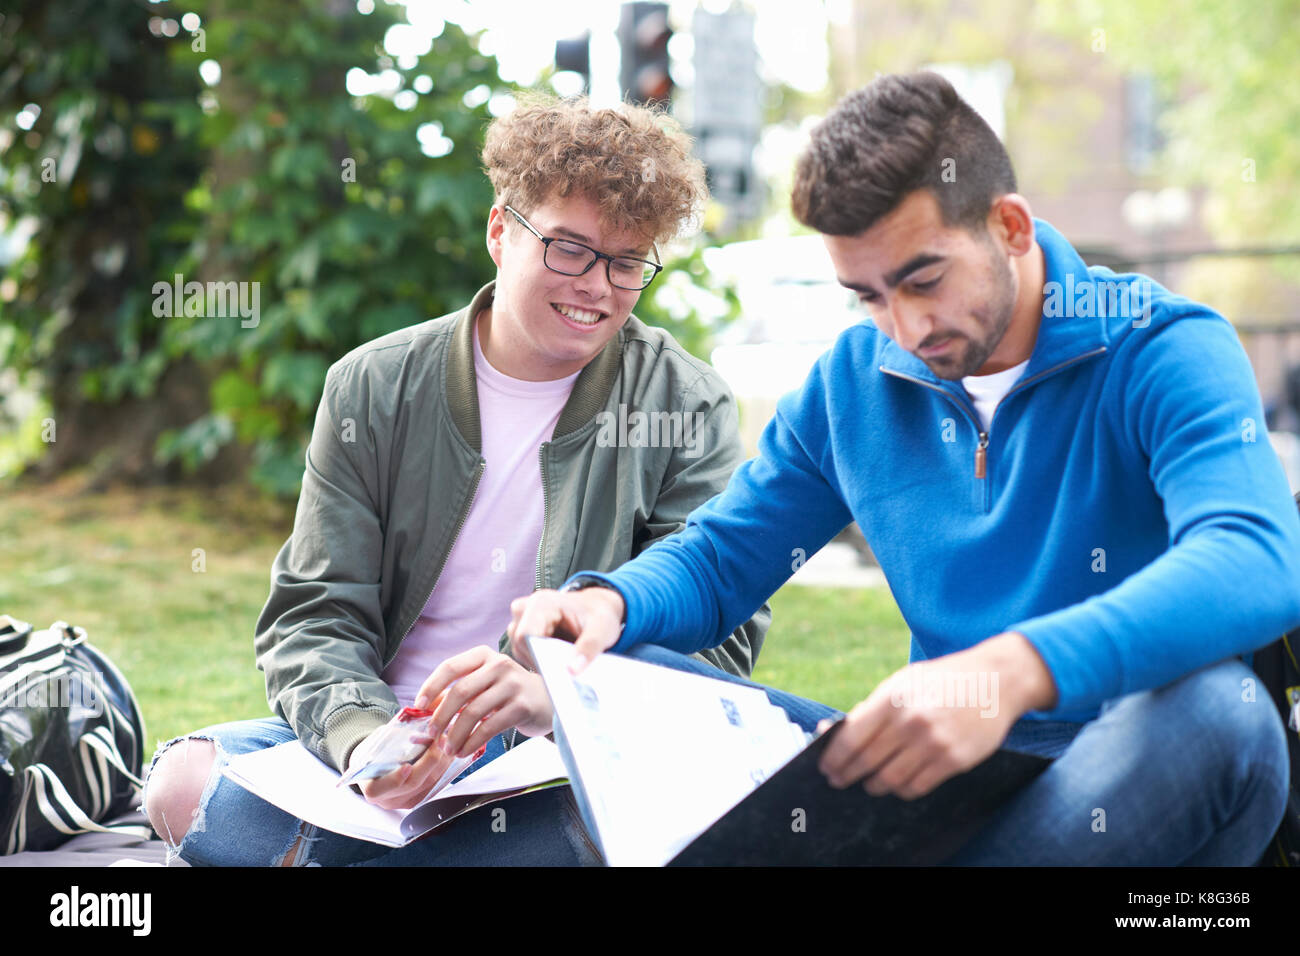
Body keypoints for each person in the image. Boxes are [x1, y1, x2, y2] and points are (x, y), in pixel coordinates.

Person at [509, 71, 1300, 865]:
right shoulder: (853, 381)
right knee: (619, 673)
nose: (906, 326)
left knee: (1220, 712)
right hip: (940, 785)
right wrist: (611, 601)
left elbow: (1257, 557)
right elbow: (722, 561)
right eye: (869, 296)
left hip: (1121, 771)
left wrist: (1015, 673)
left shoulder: (1162, 347)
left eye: (924, 280)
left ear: (1012, 227)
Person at [141, 91, 775, 866]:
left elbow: (721, 633)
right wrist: (364, 740)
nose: (597, 286)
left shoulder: (684, 400)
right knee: (181, 782)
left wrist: (555, 705)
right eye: (569, 249)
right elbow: (315, 612)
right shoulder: (372, 385)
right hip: (393, 748)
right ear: (501, 231)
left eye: (627, 262)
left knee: (657, 815)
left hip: (560, 756)